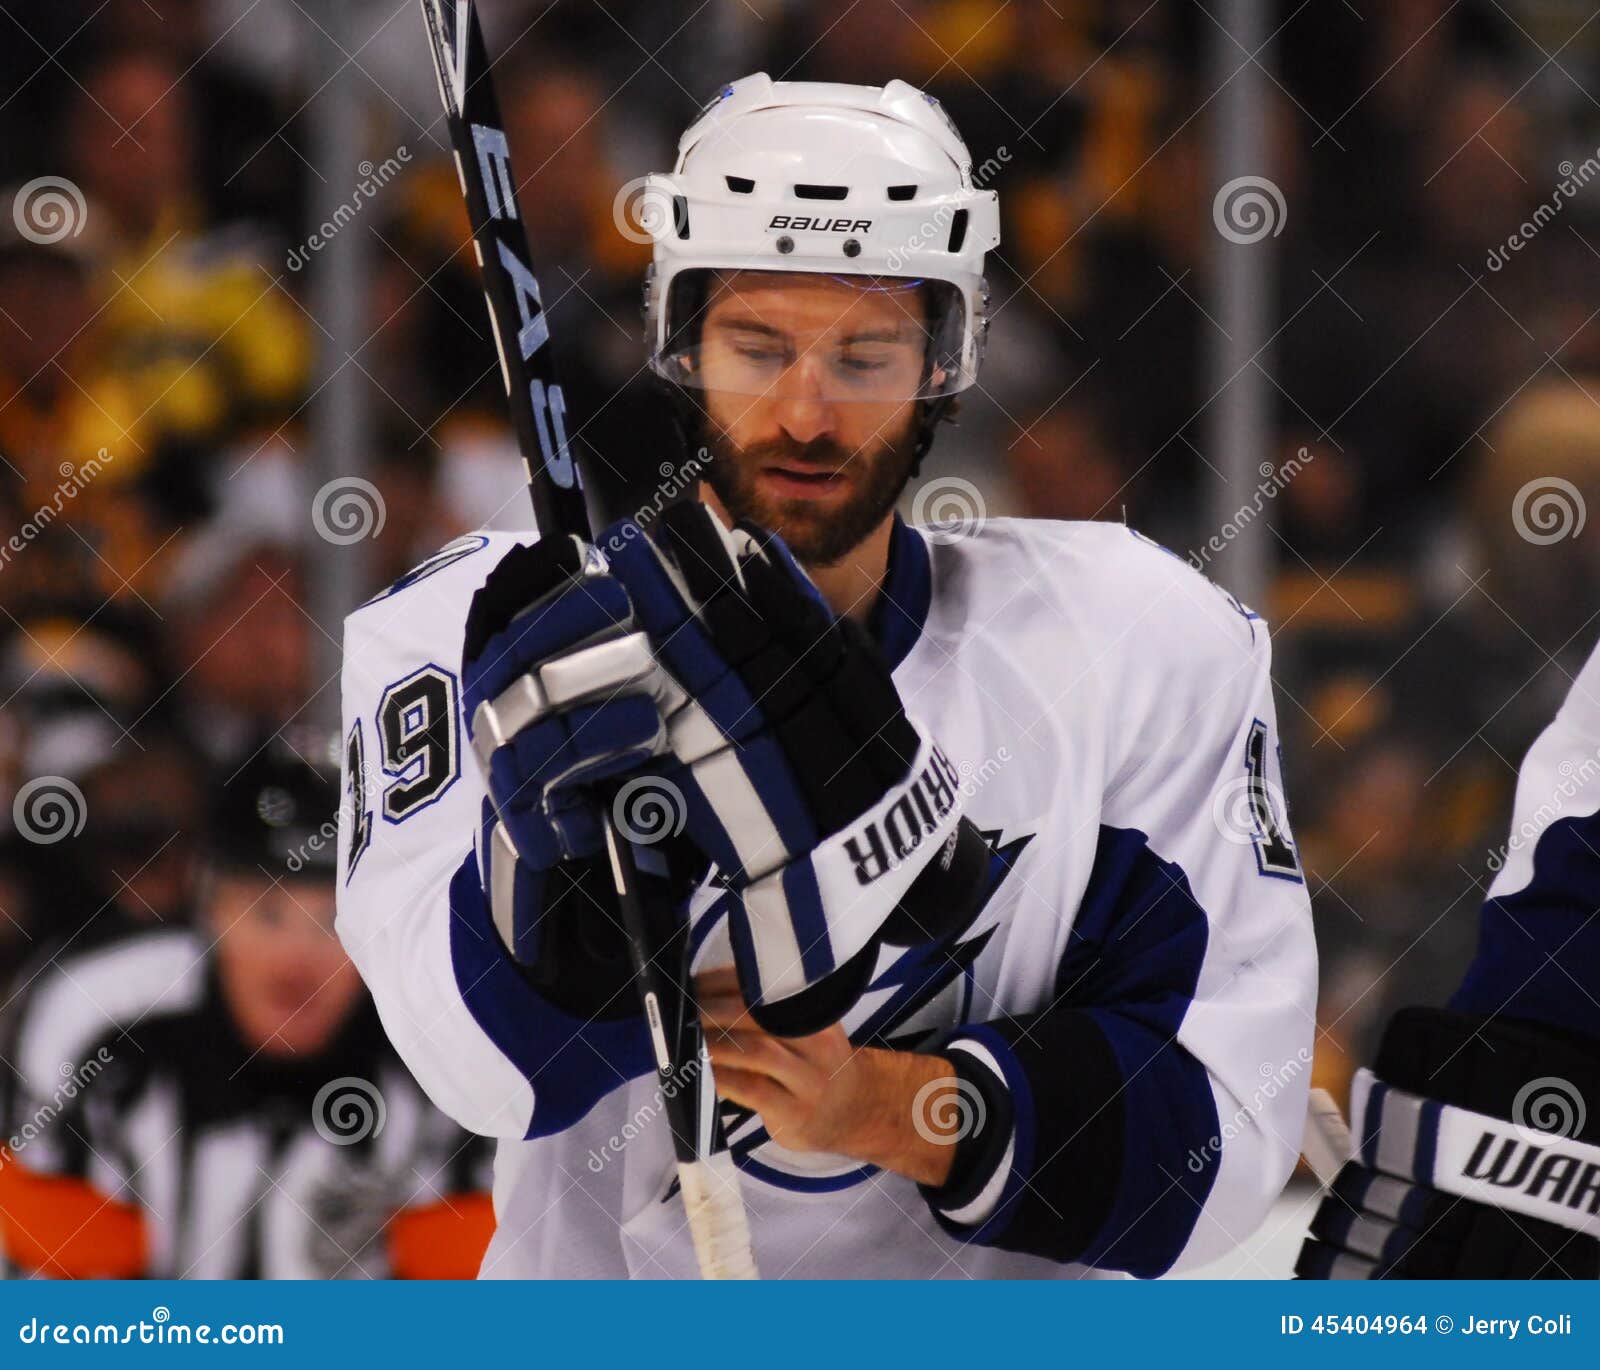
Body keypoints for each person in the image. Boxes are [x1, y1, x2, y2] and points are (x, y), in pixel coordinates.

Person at [337, 74, 1317, 1279]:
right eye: (758, 347)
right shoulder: (480, 630)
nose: (805, 412)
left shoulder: (1136, 642)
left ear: (946, 360)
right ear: (680, 343)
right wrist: (555, 893)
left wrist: (887, 1105)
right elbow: (471, 1072)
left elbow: (1225, 1137)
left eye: (864, 355)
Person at [0, 737, 493, 1278]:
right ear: (208, 906)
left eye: (334, 921)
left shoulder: (447, 1038)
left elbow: (469, 1314)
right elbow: (50, 1315)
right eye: (267, 913)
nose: (296, 962)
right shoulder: (93, 1017)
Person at [1299, 633, 1600, 1279]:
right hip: (1336, 1178)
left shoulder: (1444, 926)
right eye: (1367, 803)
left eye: (1399, 807)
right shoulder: (1308, 913)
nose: (1380, 823)